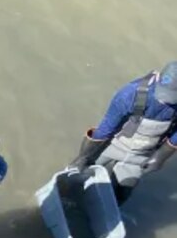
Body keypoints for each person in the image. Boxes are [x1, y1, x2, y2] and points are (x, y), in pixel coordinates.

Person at [69, 62, 177, 205]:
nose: (165, 100)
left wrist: (161, 156)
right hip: (113, 144)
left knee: (122, 193)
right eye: (164, 93)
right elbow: (106, 128)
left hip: (142, 153)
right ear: (157, 79)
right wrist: (83, 157)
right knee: (79, 179)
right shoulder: (130, 94)